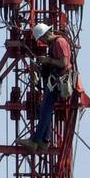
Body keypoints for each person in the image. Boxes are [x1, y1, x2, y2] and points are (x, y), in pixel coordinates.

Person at [23, 22, 74, 150]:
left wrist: (47, 60)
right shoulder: (54, 44)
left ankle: (35, 141)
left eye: (41, 39)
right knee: (44, 107)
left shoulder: (59, 42)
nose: (42, 42)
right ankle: (44, 141)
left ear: (45, 35)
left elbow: (63, 63)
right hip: (54, 81)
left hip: (58, 81)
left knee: (45, 109)